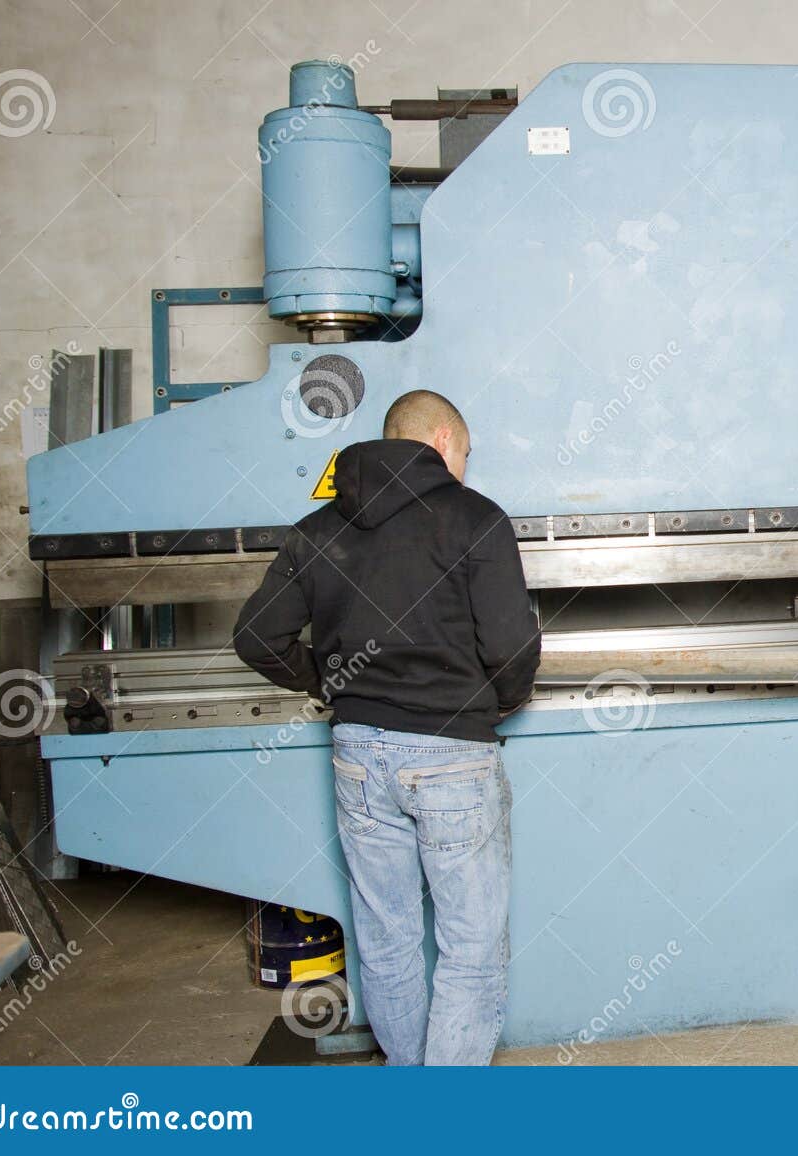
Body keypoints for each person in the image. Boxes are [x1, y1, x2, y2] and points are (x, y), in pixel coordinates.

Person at [234, 389, 540, 1065]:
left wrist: (327, 679)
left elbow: (256, 637)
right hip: (451, 755)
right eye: (465, 453)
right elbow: (511, 646)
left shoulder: (317, 529)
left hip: (356, 756)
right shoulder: (475, 517)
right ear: (442, 440)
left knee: (386, 939)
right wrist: (498, 701)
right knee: (471, 947)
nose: (464, 468)